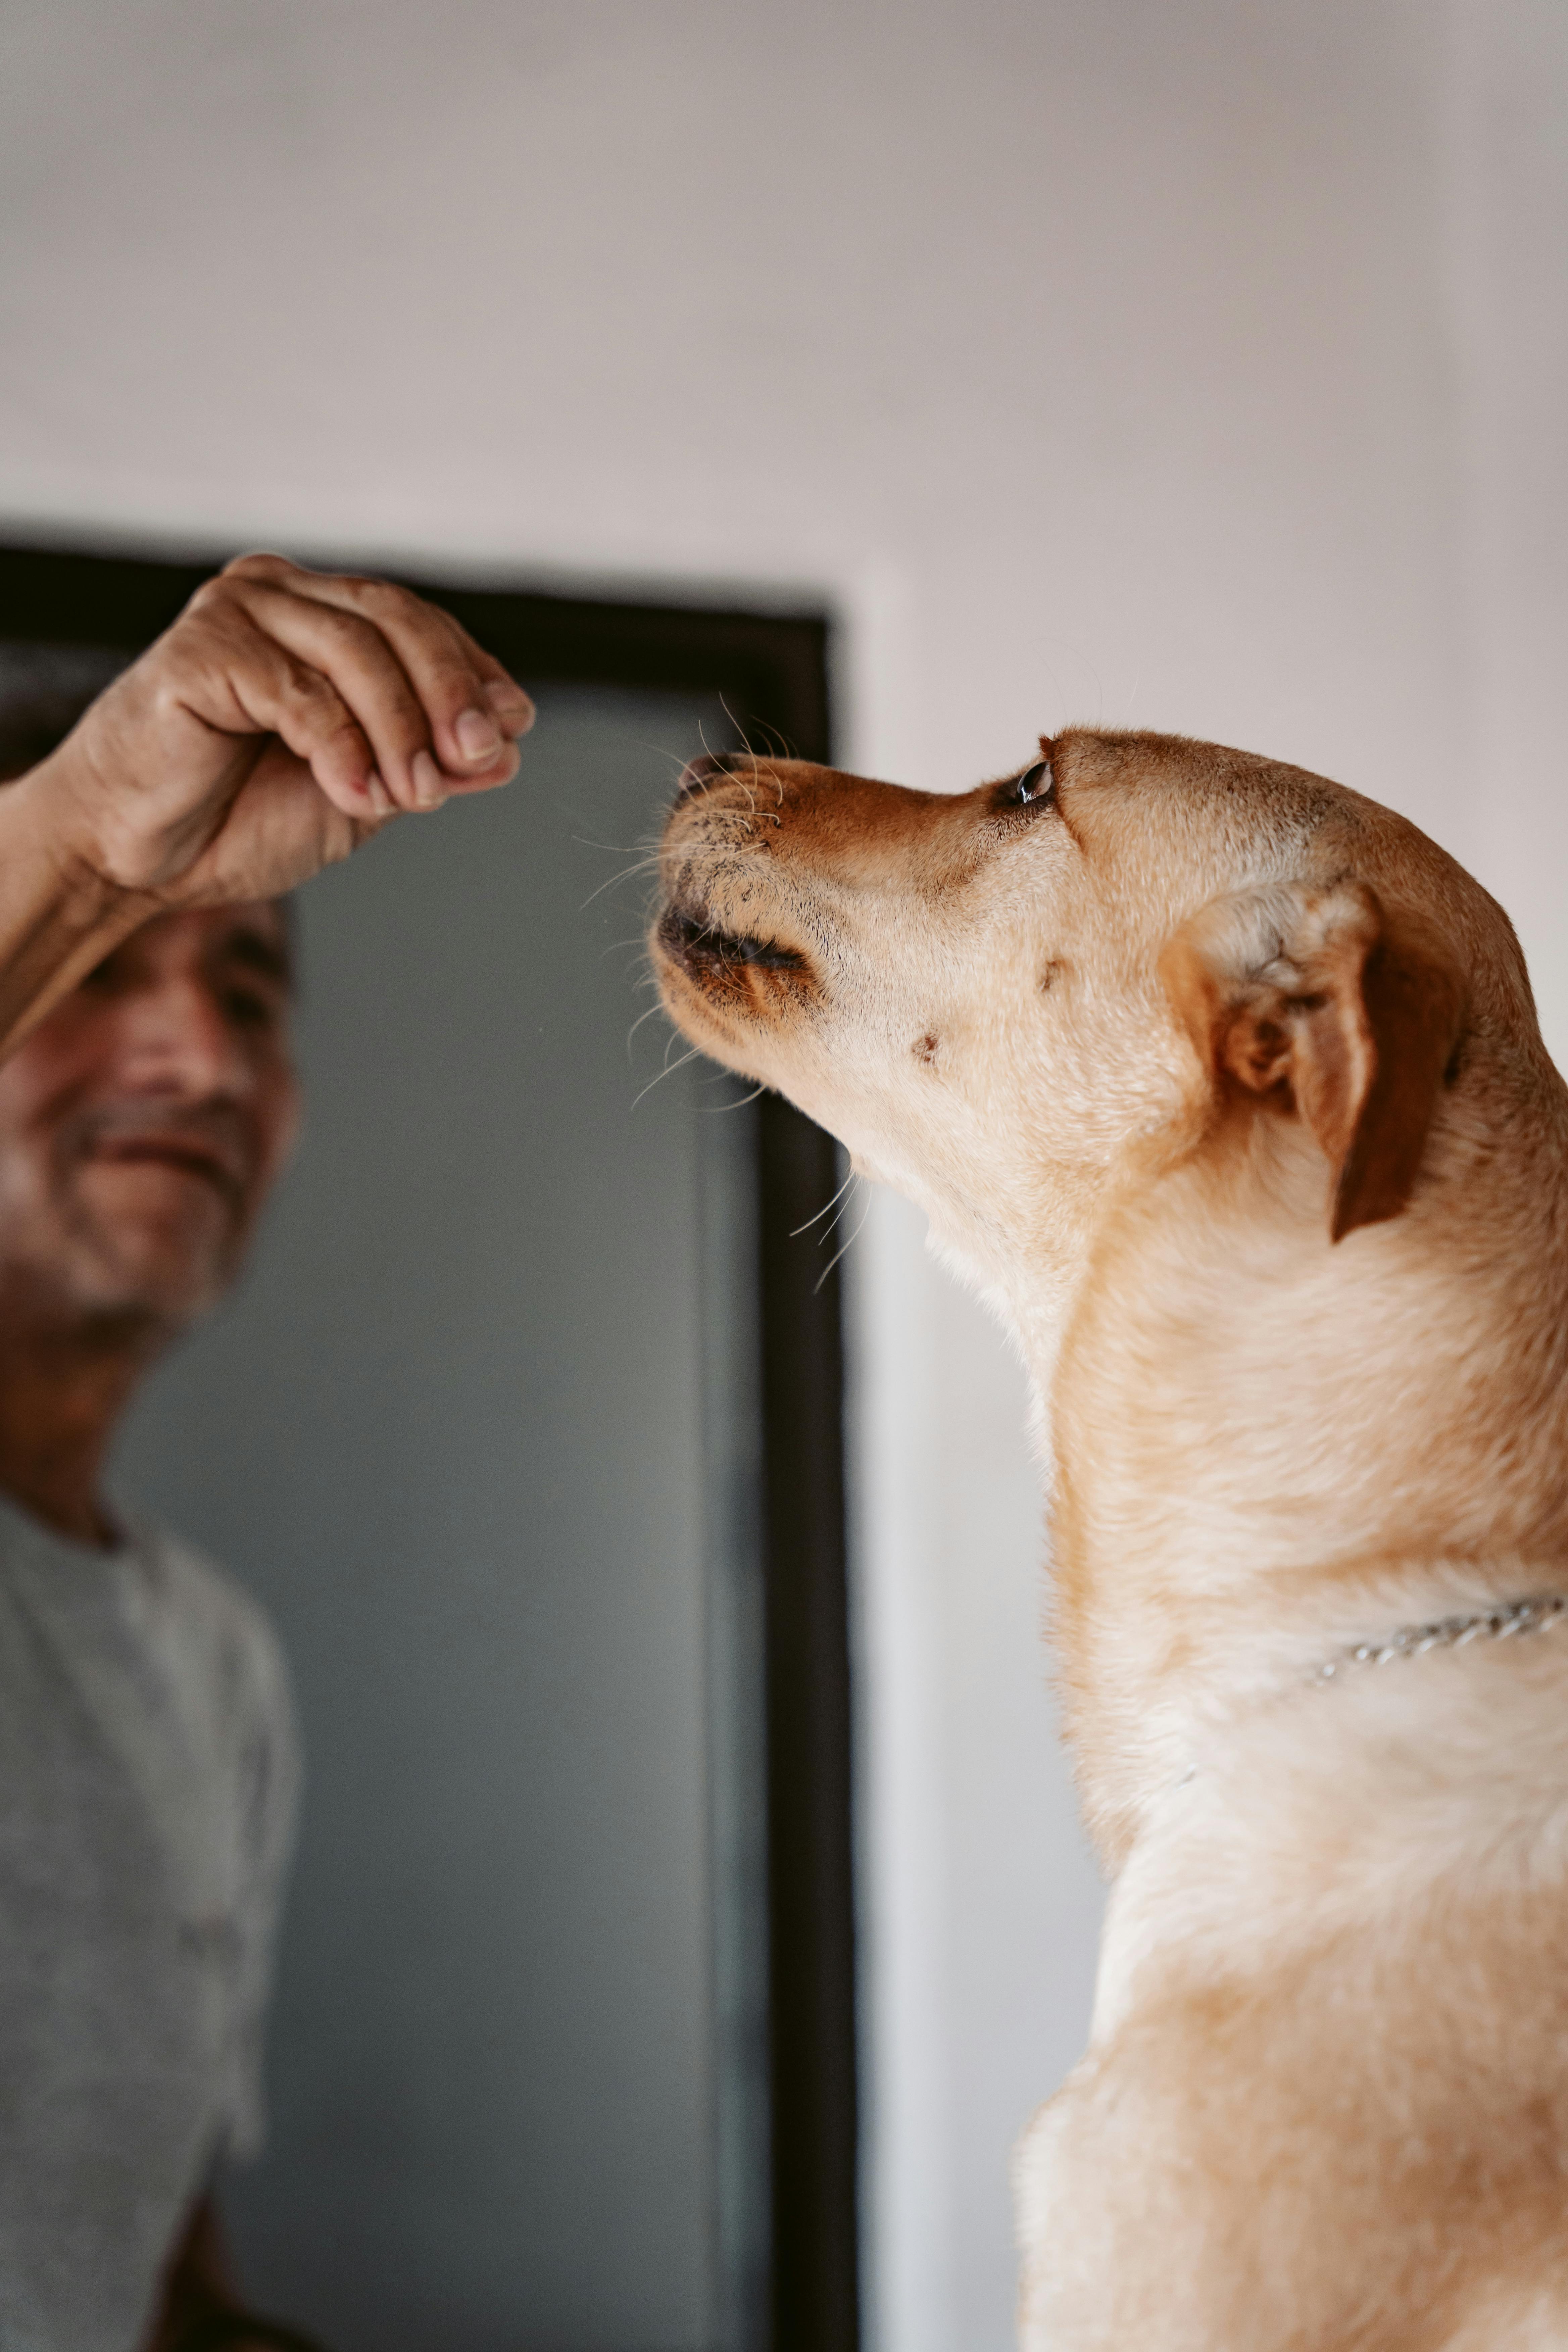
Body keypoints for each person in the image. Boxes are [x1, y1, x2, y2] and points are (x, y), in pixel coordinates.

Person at [0, 553, 534, 2352]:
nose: (201, 1053)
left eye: (247, 981)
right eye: (104, 976)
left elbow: (138, 2283)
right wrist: (78, 839)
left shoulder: (210, 1667)